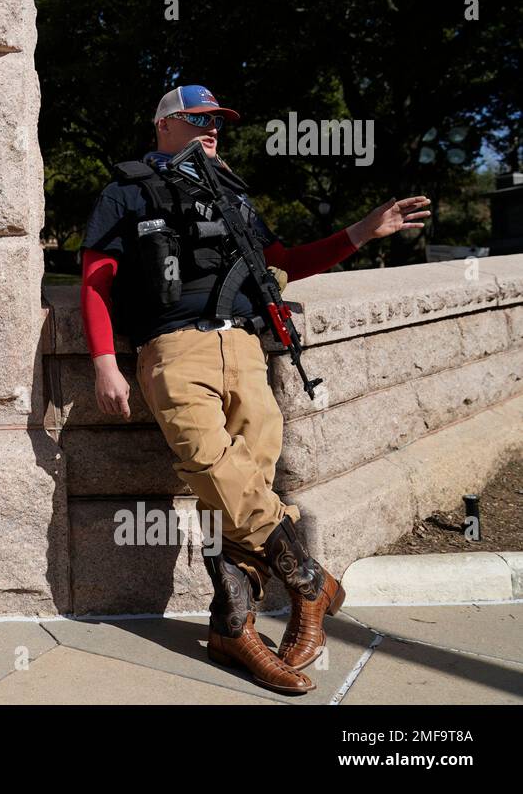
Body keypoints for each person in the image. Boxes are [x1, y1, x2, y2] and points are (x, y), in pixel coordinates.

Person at [80, 85, 431, 695]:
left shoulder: (235, 195)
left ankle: (232, 628)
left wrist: (361, 232)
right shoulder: (127, 191)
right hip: (173, 348)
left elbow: (285, 260)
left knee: (248, 482)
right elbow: (96, 277)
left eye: (218, 121)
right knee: (212, 466)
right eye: (198, 119)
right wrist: (105, 362)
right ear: (163, 126)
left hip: (245, 349)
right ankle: (310, 581)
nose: (212, 129)